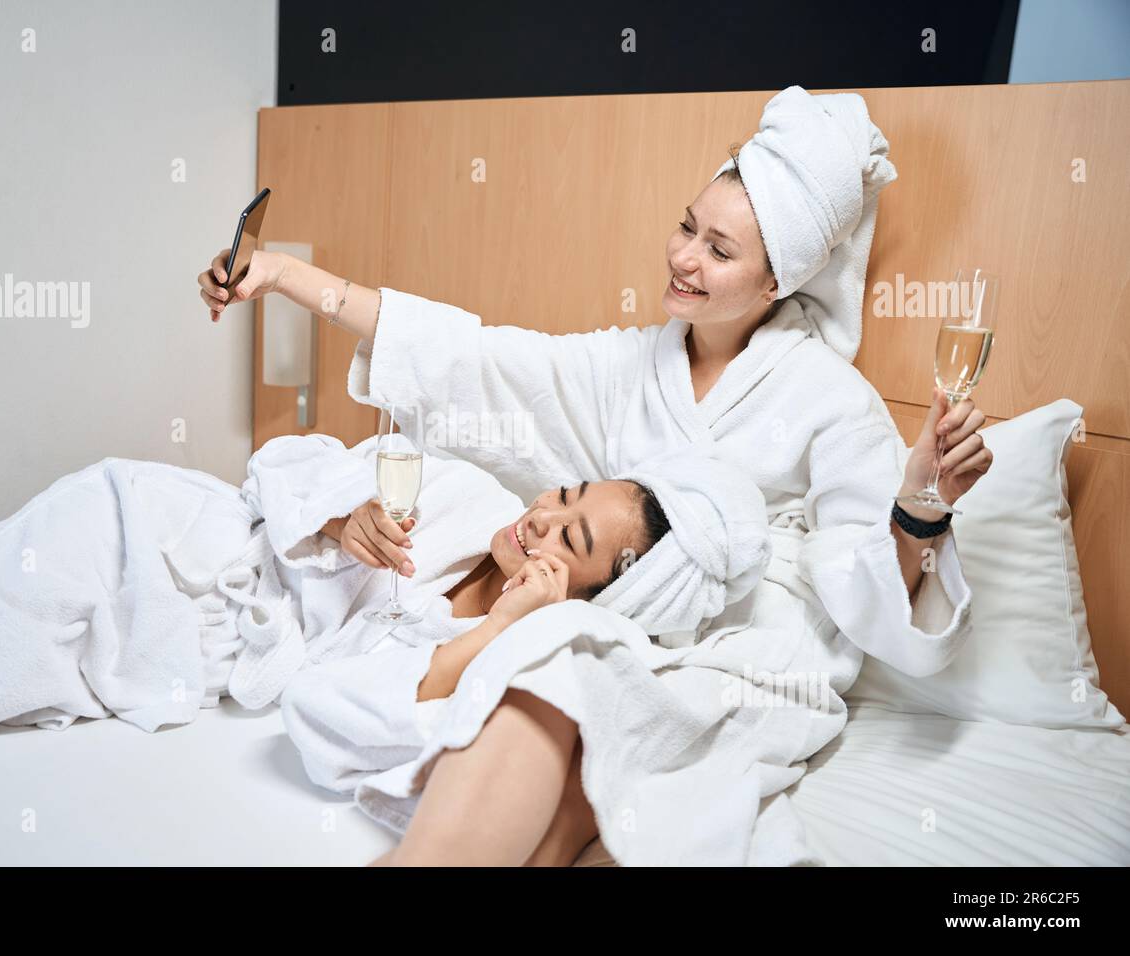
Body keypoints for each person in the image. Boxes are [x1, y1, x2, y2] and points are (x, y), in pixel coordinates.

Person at [195, 85, 994, 865]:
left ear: (777, 281)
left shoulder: (832, 400)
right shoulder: (630, 365)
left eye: (719, 252)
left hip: (743, 663)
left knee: (581, 715)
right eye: (688, 227)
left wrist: (922, 506)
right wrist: (282, 278)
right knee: (555, 693)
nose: (684, 258)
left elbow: (867, 591)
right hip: (623, 631)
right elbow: (474, 361)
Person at [0, 432, 766, 761]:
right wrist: (336, 518)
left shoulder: (509, 642)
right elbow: (279, 466)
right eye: (561, 498)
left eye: (573, 541)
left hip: (172, 643)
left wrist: (512, 619)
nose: (539, 523)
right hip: (151, 536)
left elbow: (351, 707)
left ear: (595, 593)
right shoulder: (458, 491)